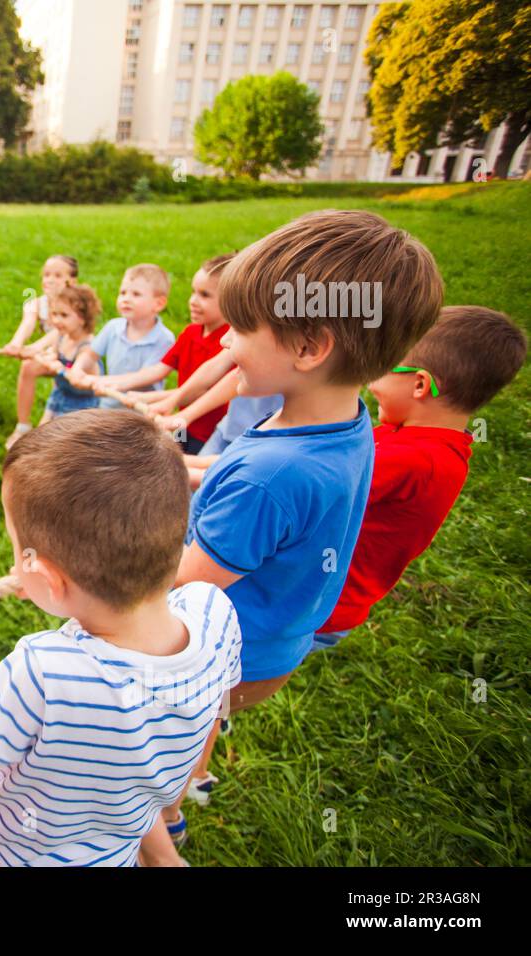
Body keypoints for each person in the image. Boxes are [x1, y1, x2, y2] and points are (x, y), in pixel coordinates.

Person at [165, 209, 444, 843]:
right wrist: (180, 466)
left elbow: (181, 580)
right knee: (197, 724)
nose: (225, 342)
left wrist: (93, 558)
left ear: (309, 346)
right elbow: (254, 483)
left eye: (239, 328)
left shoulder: (272, 476)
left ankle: (166, 822)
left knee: (163, 740)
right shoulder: (342, 419)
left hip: (226, 652)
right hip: (274, 641)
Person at [0, 411, 242, 866]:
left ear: (49, 581)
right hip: (112, 847)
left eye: (17, 549)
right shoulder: (214, 612)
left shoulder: (46, 671)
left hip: (5, 853)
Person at [315, 306, 527, 648]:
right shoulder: (414, 439)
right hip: (318, 597)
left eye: (382, 365)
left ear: (419, 384)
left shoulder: (416, 460)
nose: (370, 380)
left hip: (313, 606)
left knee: (215, 674)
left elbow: (307, 493)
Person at [87, 254, 233, 454]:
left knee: (192, 472)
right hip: (182, 425)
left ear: (232, 300)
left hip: (209, 431)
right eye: (193, 292)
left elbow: (203, 390)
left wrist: (152, 398)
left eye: (205, 295)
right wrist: (118, 383)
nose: (193, 301)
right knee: (177, 462)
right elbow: (159, 369)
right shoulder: (190, 333)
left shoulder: (229, 341)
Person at [72, 264, 176, 411]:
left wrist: (99, 381)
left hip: (141, 412)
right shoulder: (113, 327)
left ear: (158, 303)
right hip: (109, 405)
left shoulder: (163, 339)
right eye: (123, 292)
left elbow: (144, 376)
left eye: (136, 294)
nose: (126, 299)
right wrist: (78, 368)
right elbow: (90, 354)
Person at [3, 254, 80, 449]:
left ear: (72, 281)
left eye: (57, 275)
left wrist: (36, 348)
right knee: (28, 367)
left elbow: (58, 332)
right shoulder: (35, 303)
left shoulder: (76, 304)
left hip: (76, 358)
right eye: (46, 275)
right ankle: (22, 426)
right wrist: (16, 343)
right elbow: (27, 324)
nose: (50, 280)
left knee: (71, 397)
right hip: (52, 355)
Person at [33, 284, 102, 422]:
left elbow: (78, 376)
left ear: (82, 318)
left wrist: (60, 368)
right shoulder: (61, 336)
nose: (56, 321)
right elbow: (53, 352)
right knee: (43, 431)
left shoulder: (88, 348)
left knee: (65, 441)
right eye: (54, 314)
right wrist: (50, 357)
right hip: (60, 394)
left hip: (81, 405)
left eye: (64, 315)